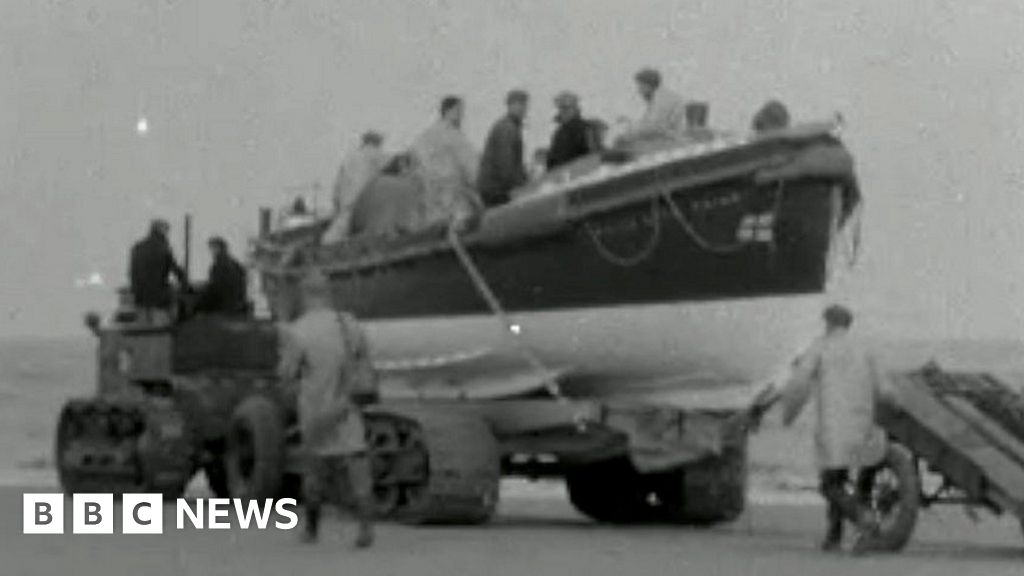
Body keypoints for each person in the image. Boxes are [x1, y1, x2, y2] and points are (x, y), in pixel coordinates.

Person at [278, 270, 379, 548]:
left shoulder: (298, 330)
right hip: (346, 406)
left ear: (304, 294)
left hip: (316, 410)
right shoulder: (349, 323)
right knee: (357, 462)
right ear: (328, 293)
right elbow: (364, 358)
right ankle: (365, 527)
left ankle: (311, 530)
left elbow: (287, 373)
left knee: (314, 470)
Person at [776, 305, 886, 554]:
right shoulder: (866, 348)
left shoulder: (820, 346)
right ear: (848, 323)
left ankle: (862, 517)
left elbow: (799, 383)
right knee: (845, 480)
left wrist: (788, 414)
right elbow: (885, 389)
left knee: (830, 485)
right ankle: (833, 537)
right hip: (864, 426)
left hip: (835, 427)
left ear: (828, 322)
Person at [411, 96, 481, 228]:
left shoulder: (424, 137)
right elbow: (471, 166)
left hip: (431, 198)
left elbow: (416, 166)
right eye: (459, 110)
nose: (462, 116)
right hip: (454, 196)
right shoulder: (455, 136)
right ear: (449, 111)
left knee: (436, 228)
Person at [323, 131, 388, 243]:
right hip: (367, 210)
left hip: (346, 210)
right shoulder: (379, 156)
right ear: (377, 142)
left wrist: (338, 210)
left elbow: (336, 193)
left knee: (333, 237)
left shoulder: (349, 159)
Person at [477, 90, 530, 207]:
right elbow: (505, 163)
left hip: (494, 187)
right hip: (497, 189)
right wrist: (521, 186)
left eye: (524, 104)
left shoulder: (509, 126)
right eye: (518, 104)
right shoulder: (507, 128)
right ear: (509, 106)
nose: (522, 109)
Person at [129, 219, 188, 323]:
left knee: (144, 318)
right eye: (166, 230)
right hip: (159, 295)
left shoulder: (137, 247)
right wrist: (185, 282)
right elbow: (175, 270)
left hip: (139, 295)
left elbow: (132, 272)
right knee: (178, 302)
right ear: (161, 231)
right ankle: (174, 326)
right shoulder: (163, 248)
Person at [618, 68, 688, 145]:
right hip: (664, 140)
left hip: (667, 143)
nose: (639, 91)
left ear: (648, 86)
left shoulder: (663, 100)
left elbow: (654, 127)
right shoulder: (660, 97)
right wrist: (630, 124)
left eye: (641, 87)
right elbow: (648, 123)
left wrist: (629, 131)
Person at [195, 236, 248, 316]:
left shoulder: (219, 266)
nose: (212, 252)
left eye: (214, 248)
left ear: (220, 249)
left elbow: (215, 289)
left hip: (223, 307)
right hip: (237, 306)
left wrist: (199, 304)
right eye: (211, 248)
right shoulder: (235, 264)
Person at [546, 91, 594, 170]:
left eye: (567, 108)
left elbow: (591, 155)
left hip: (578, 172)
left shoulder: (584, 128)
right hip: (560, 174)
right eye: (561, 108)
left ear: (575, 109)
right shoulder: (559, 133)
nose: (564, 111)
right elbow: (552, 159)